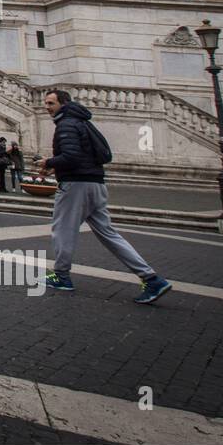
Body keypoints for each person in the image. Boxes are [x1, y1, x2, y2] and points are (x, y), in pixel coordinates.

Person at [39, 88, 172, 304]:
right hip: (96, 184)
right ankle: (151, 278)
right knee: (109, 234)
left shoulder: (66, 125)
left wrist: (49, 163)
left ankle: (61, 276)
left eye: (50, 103)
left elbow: (71, 156)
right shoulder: (83, 122)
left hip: (77, 186)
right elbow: (86, 155)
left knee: (62, 229)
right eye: (46, 103)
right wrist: (58, 167)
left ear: (63, 104)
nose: (46, 107)